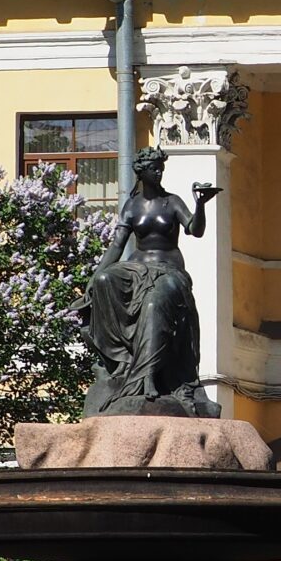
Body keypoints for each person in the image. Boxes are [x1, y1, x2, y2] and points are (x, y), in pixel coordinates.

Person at [83, 147, 220, 416]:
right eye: (154, 168)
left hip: (170, 271)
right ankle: (121, 359)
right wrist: (95, 275)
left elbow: (195, 229)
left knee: (153, 305)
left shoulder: (173, 201)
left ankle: (146, 374)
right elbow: (116, 245)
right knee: (103, 281)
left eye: (161, 168)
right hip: (137, 267)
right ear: (142, 172)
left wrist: (201, 204)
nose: (159, 172)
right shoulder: (132, 206)